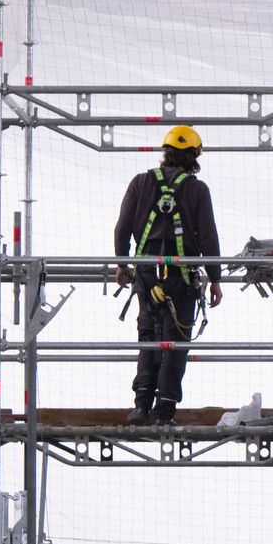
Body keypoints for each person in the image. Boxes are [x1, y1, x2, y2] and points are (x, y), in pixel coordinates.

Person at [113, 124, 223, 424]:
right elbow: (208, 237)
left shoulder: (140, 182)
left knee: (148, 335)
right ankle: (164, 409)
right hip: (181, 276)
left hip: (147, 275)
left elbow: (122, 227)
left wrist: (123, 264)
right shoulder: (197, 189)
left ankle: (140, 405)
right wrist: (215, 278)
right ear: (192, 157)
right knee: (175, 341)